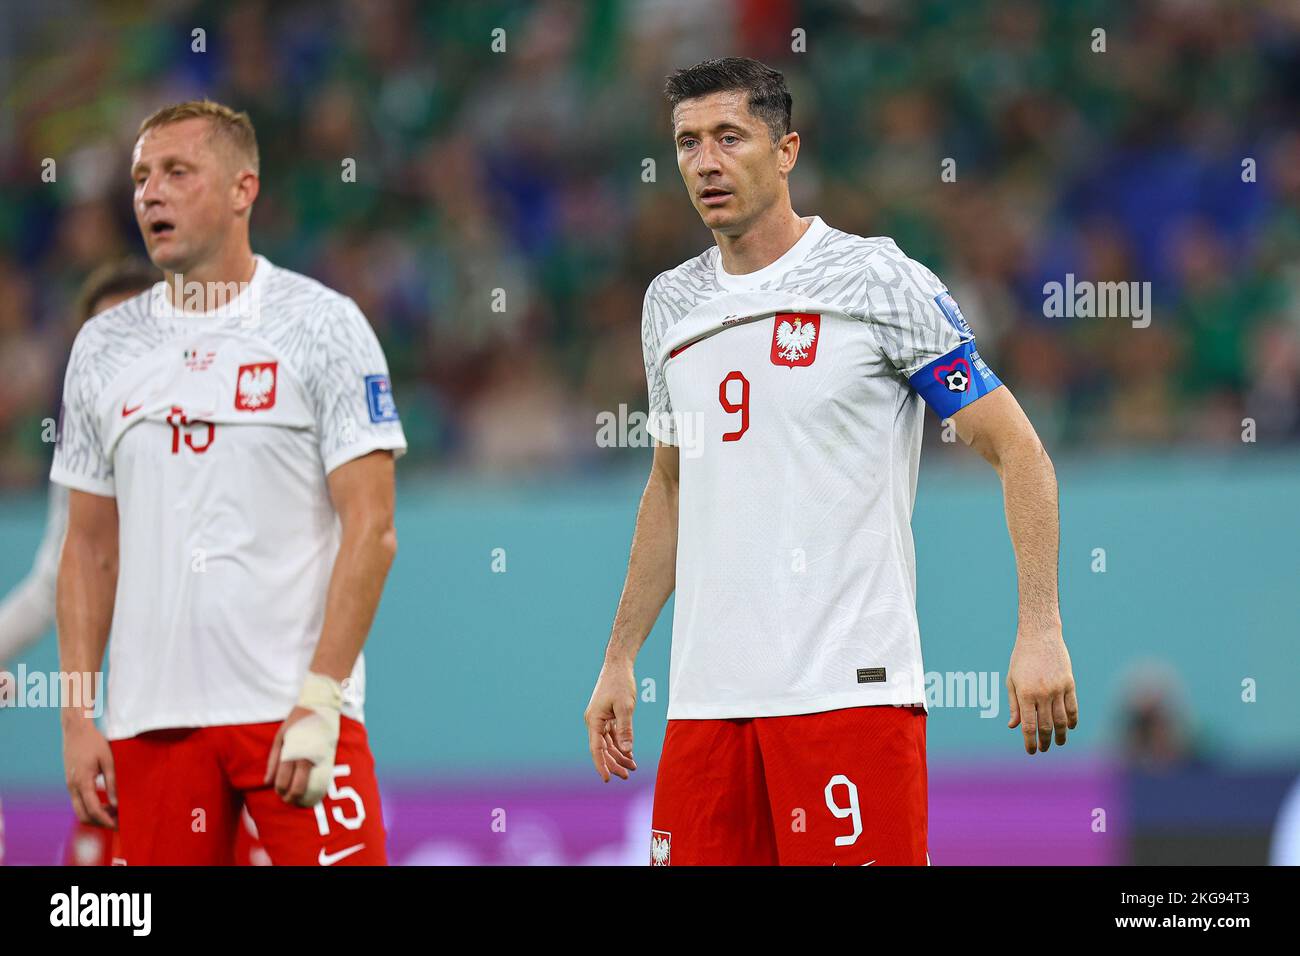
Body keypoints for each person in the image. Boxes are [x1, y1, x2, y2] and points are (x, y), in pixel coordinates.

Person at [583, 57, 1079, 866]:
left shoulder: (876, 279)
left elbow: (1017, 448)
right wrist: (619, 657)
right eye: (686, 143)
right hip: (706, 709)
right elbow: (672, 486)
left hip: (848, 696)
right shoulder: (669, 305)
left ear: (786, 151)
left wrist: (1040, 629)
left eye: (729, 137)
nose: (705, 162)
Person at [52, 99, 406, 865]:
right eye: (142, 177)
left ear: (244, 189)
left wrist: (323, 698)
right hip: (152, 727)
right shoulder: (103, 347)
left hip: (291, 714)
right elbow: (86, 550)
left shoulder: (323, 325)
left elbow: (372, 530)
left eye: (178, 172)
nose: (151, 194)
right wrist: (79, 715)